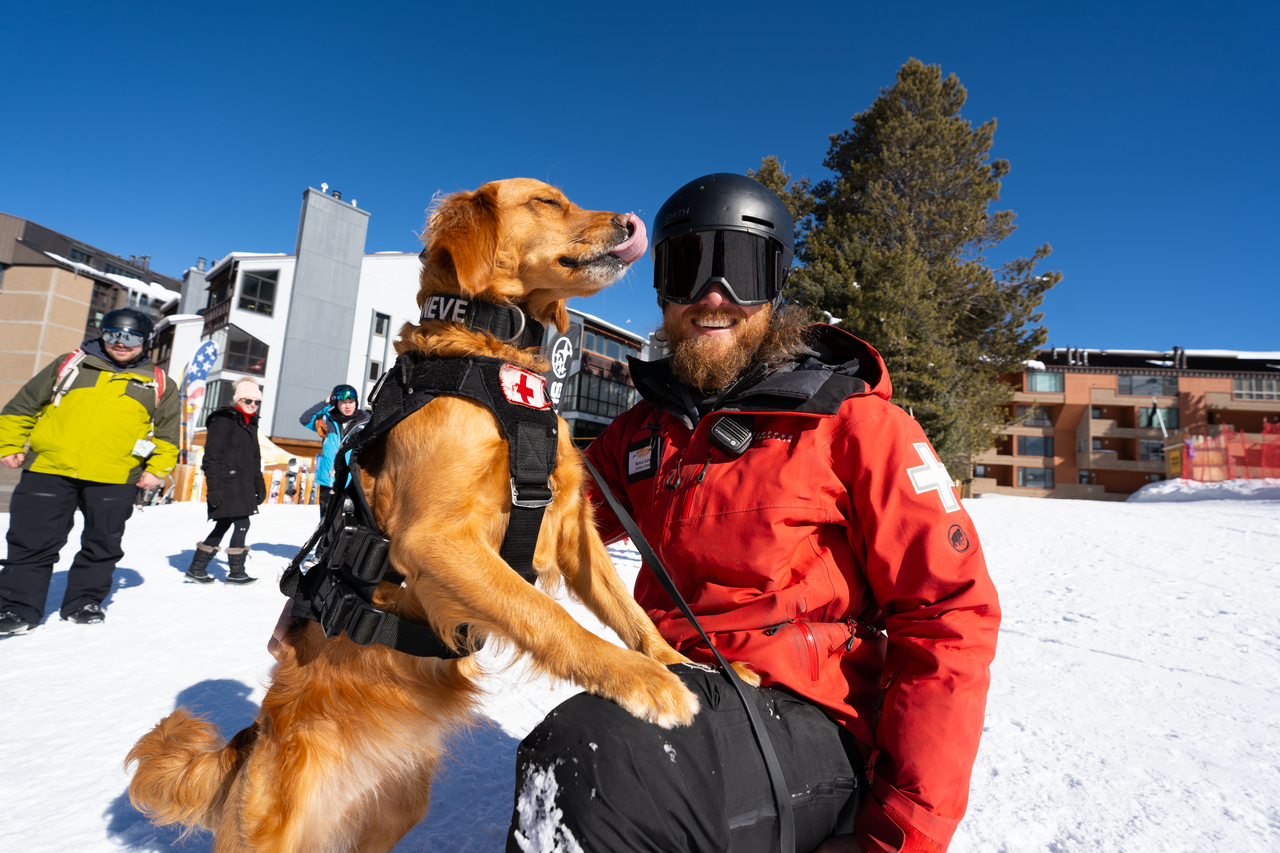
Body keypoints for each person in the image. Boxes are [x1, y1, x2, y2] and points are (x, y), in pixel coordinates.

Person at [505, 174, 1001, 853]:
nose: (714, 296)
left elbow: (949, 614)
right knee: (582, 757)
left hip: (809, 720)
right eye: (687, 270)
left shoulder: (855, 422)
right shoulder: (646, 431)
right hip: (678, 698)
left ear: (774, 286)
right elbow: (540, 527)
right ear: (661, 291)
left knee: (588, 764)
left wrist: (900, 836)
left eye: (739, 269)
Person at [0, 308, 179, 633]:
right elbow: (22, 406)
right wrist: (9, 444)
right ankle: (16, 608)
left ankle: (84, 600)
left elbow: (168, 437)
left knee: (102, 545)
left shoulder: (159, 383)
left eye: (130, 337)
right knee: (30, 541)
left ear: (147, 341)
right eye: (112, 334)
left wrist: (156, 470)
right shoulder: (70, 365)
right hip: (49, 469)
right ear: (102, 334)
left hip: (115, 477)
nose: (120, 343)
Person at [184, 378, 266, 585]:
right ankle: (236, 572)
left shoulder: (250, 424)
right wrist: (214, 489)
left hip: (243, 485)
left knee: (223, 524)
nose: (253, 405)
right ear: (238, 400)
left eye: (257, 402)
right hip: (227, 485)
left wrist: (259, 484)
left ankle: (196, 568)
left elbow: (254, 459)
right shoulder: (224, 420)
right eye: (248, 400)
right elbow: (211, 457)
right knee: (242, 523)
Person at [299, 384, 369, 515]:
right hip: (328, 481)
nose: (348, 406)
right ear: (336, 402)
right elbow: (305, 418)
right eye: (343, 402)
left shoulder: (365, 421)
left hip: (352, 481)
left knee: (349, 523)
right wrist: (326, 403)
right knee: (326, 523)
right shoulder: (326, 419)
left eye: (351, 402)